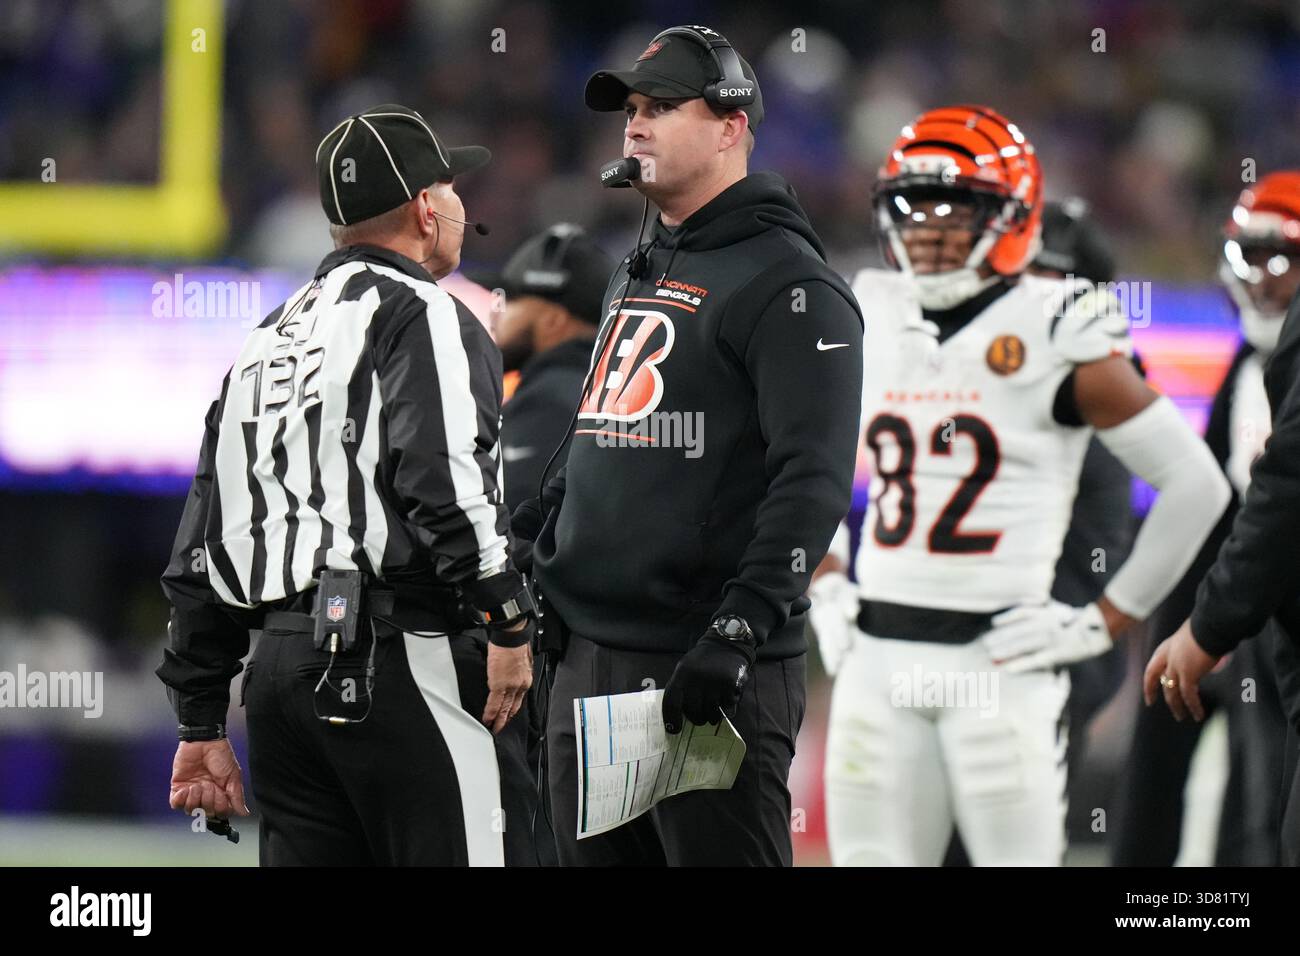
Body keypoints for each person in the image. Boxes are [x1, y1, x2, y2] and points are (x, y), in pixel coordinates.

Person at [817, 104, 1228, 866]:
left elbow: (1197, 486)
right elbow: (792, 461)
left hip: (999, 662)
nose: (931, 229)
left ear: (1012, 216)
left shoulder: (1057, 321)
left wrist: (1104, 618)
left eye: (958, 209)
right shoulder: (869, 305)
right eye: (914, 207)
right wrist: (826, 573)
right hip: (874, 654)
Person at [514, 25, 864, 866]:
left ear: (730, 127)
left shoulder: (793, 284)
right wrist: (536, 554)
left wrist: (738, 631)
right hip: (588, 658)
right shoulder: (636, 262)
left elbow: (812, 481)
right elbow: (594, 436)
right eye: (631, 108)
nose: (635, 125)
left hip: (698, 666)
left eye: (663, 106)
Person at [157, 104, 539, 866]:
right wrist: (507, 620)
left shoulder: (265, 338)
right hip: (398, 655)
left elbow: (203, 537)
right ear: (428, 209)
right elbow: (443, 479)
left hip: (278, 681)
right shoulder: (422, 312)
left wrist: (201, 720)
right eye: (452, 185)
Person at [1145, 172, 1300, 866]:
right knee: (1253, 813)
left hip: (1260, 612)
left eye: (1283, 257)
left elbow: (1283, 488)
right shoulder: (1242, 372)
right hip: (1261, 617)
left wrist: (1210, 621)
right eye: (1249, 254)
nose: (1263, 279)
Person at [486, 223, 613, 514]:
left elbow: (508, 527)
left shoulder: (547, 401)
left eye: (509, 300)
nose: (496, 314)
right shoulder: (607, 392)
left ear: (553, 320)